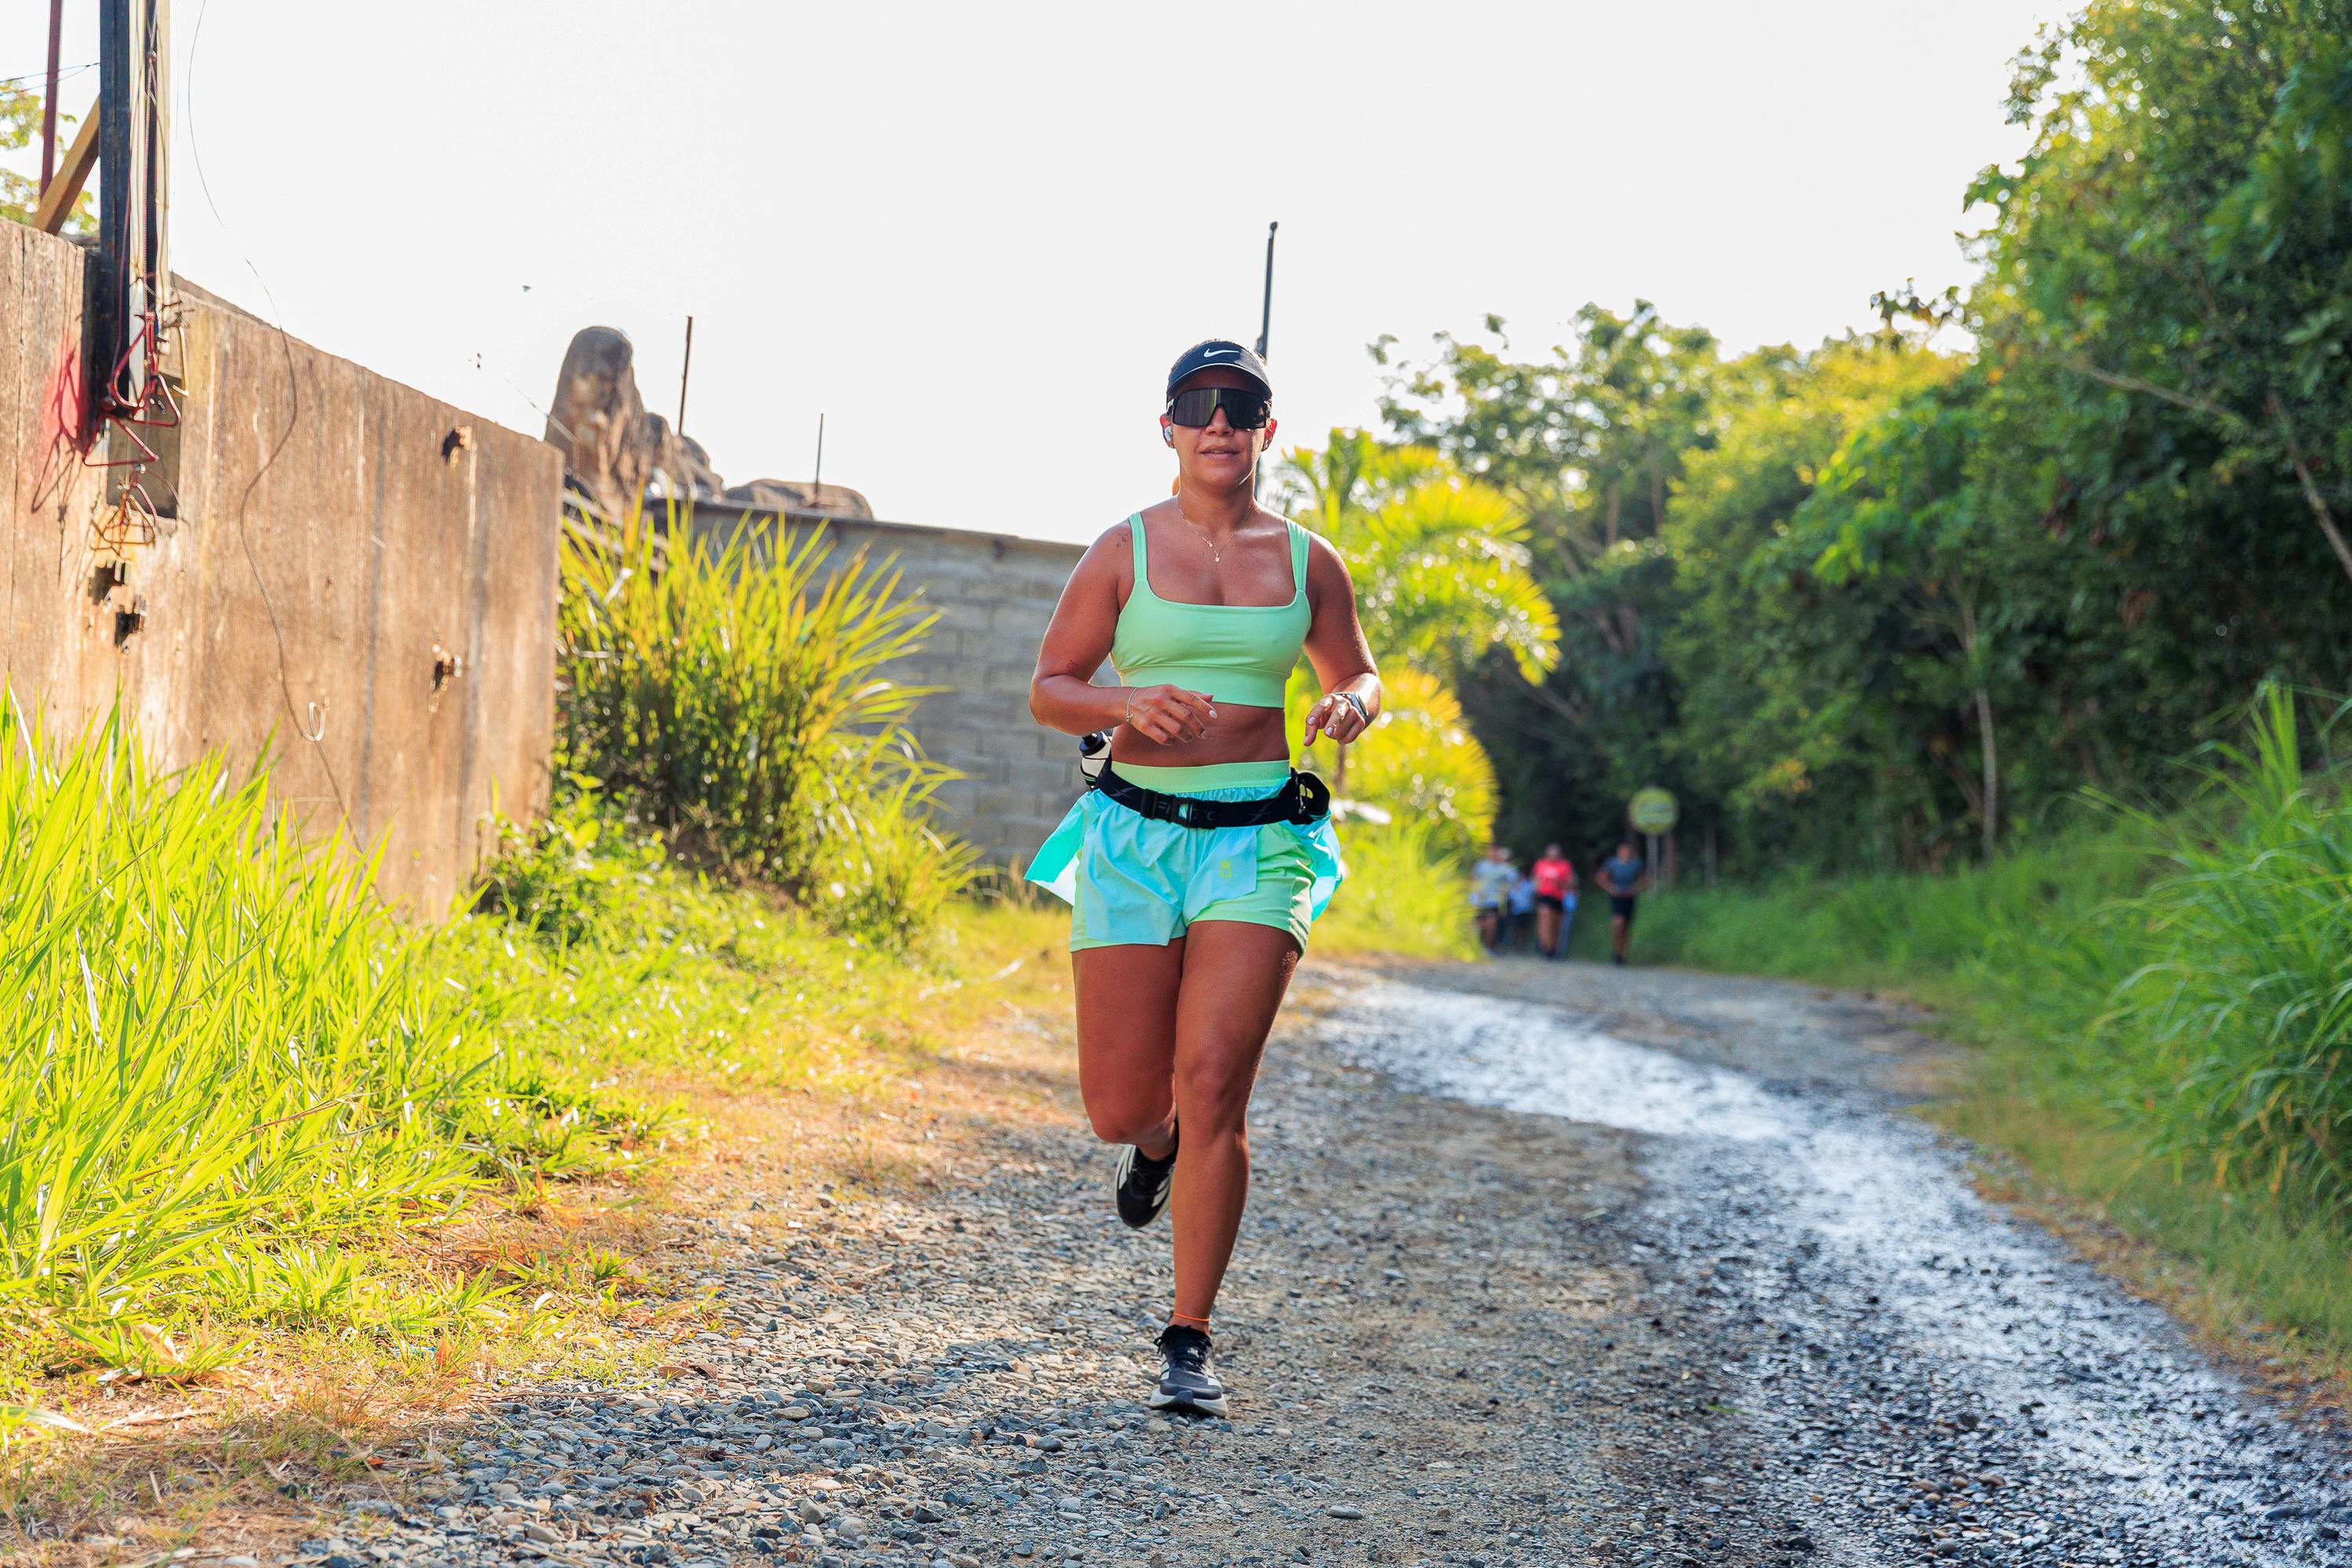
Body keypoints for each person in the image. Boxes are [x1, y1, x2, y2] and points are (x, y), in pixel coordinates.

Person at [1025, 339, 1381, 1417]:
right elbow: (1052, 687)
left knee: (1219, 1080)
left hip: (1258, 840)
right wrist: (1125, 705)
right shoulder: (1121, 551)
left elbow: (1353, 666)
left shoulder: (1309, 562)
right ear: (1168, 427)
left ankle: (1188, 1337)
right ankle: (1156, 1141)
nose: (1220, 423)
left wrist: (1356, 700)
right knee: (1120, 1103)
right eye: (1198, 405)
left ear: (1268, 429)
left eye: (1242, 406)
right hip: (1133, 836)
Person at [1595, 838, 1650, 966]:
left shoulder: (1636, 864)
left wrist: (1635, 889)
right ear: (1619, 851)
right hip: (1617, 897)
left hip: (1629, 898)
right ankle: (1616, 951)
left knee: (1626, 927)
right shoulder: (1612, 863)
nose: (1625, 853)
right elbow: (1600, 878)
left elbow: (1646, 879)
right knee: (1618, 924)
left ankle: (1622, 954)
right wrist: (1611, 889)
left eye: (1627, 851)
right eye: (1623, 851)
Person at [1531, 843, 1577, 959]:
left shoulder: (1565, 865)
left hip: (1558, 897)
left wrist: (1560, 883)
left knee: (1556, 925)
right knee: (1545, 918)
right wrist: (1537, 890)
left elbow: (1572, 882)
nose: (1553, 856)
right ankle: (1545, 945)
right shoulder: (1541, 864)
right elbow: (1536, 880)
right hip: (1544, 896)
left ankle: (1553, 948)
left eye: (1555, 853)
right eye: (1551, 853)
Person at [1470, 844, 1514, 951]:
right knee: (1479, 925)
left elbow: (1509, 882)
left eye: (1495, 852)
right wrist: (1478, 890)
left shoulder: (1504, 868)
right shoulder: (1481, 865)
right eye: (1491, 851)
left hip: (1494, 901)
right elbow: (1473, 879)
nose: (1493, 854)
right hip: (1479, 900)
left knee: (1492, 923)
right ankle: (1476, 947)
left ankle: (1487, 947)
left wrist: (1504, 892)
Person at [1504, 862, 1537, 952]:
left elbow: (1533, 895)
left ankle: (1521, 945)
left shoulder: (1530, 884)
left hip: (1526, 909)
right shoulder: (1514, 884)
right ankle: (1514, 943)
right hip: (1515, 909)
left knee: (1524, 928)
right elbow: (1510, 895)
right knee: (1515, 927)